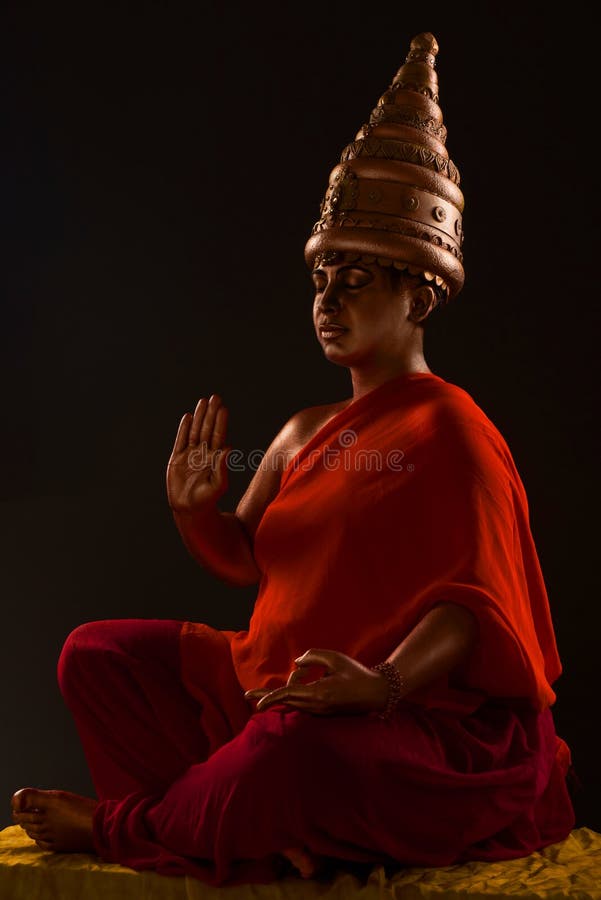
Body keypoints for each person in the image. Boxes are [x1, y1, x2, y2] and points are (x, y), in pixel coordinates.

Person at [11, 32, 576, 886]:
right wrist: (194, 512)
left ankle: (129, 828)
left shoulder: (451, 430)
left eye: (357, 280)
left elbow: (473, 609)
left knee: (292, 748)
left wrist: (379, 687)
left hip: (405, 718)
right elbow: (242, 561)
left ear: (418, 293)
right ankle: (249, 827)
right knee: (95, 653)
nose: (329, 301)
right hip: (277, 686)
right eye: (322, 280)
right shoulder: (303, 428)